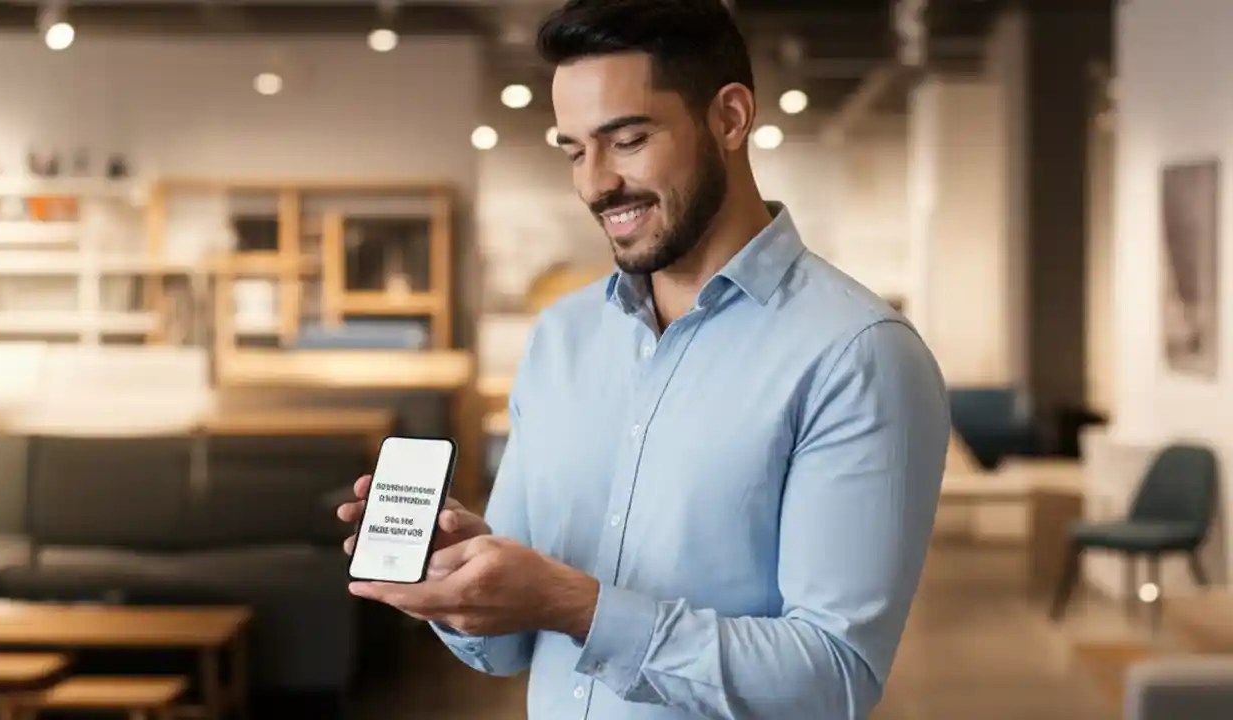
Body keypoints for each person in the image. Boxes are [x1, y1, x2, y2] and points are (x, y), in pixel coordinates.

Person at [338, 0, 950, 717]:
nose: (595, 183)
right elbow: (508, 651)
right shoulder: (563, 338)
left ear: (729, 118)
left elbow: (833, 678)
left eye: (627, 140)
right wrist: (465, 582)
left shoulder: (858, 354)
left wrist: (577, 605)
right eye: (574, 151)